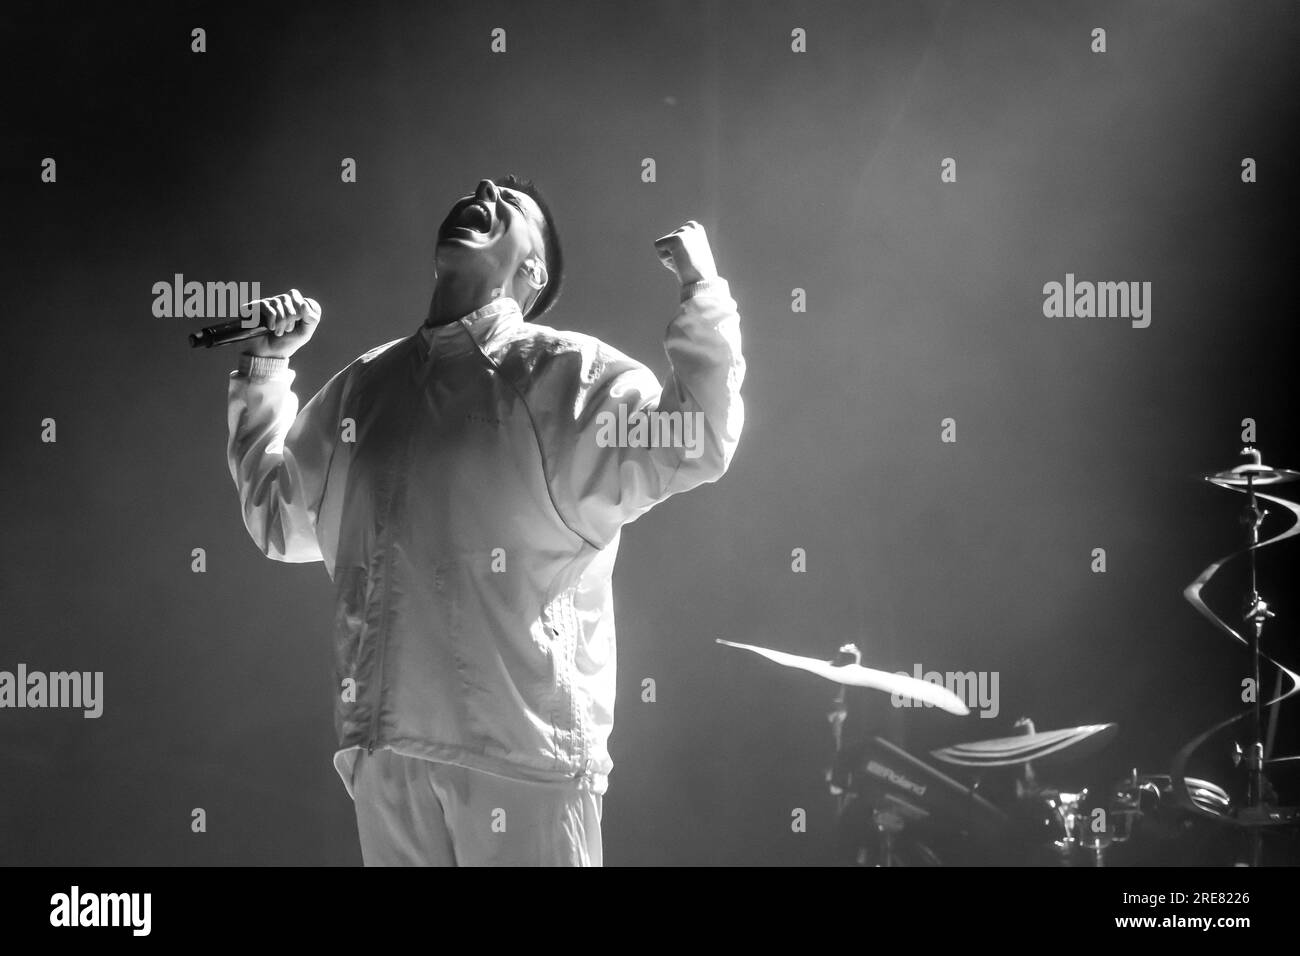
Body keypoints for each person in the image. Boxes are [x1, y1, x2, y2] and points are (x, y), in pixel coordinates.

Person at [224, 175, 745, 865]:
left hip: (522, 757)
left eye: (513, 205)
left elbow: (698, 438)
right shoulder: (364, 387)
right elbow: (277, 516)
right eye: (481, 188)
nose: (484, 187)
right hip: (386, 760)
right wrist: (265, 367)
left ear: (532, 271)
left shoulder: (568, 374)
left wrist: (703, 290)